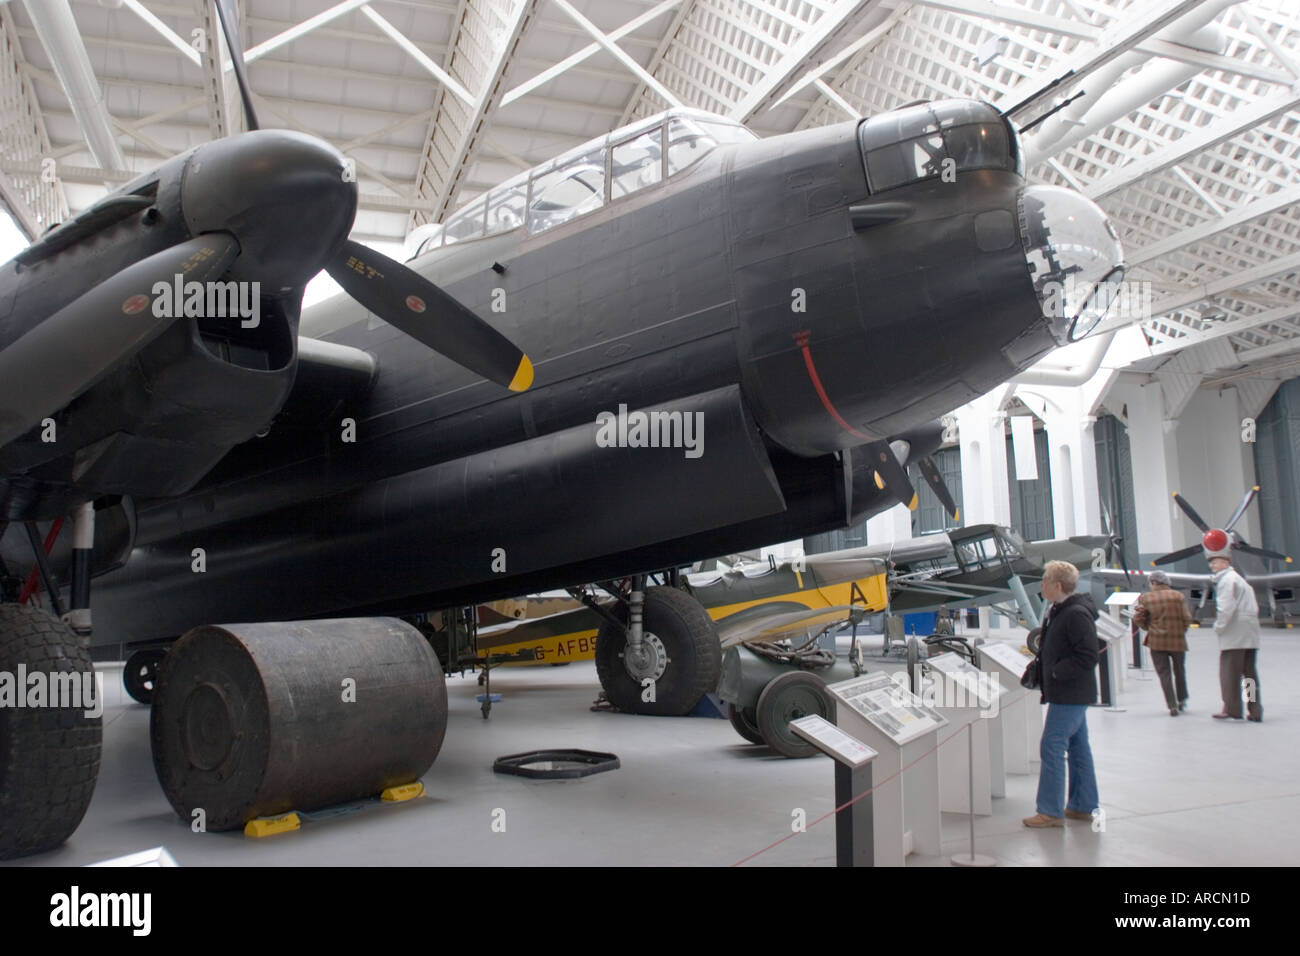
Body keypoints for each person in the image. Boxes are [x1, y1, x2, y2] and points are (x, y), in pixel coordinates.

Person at [1024, 560, 1101, 828]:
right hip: (1069, 692)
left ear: (1057, 585)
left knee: (1052, 746)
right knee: (1079, 748)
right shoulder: (1060, 610)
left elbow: (1089, 654)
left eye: (1045, 580)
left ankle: (1050, 810)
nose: (1042, 585)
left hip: (1070, 693)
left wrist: (1056, 672)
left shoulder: (1074, 614)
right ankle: (1082, 804)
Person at [1205, 536, 1262, 722]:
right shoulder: (1240, 580)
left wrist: (1219, 627)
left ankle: (1232, 708)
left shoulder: (1226, 581)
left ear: (1225, 562)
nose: (1212, 566)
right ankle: (1254, 709)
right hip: (1250, 631)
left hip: (1234, 632)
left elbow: (1226, 607)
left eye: (1215, 562)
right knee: (1249, 674)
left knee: (1229, 673)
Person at [1132, 570, 1193, 716]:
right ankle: (1182, 699)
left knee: (1164, 674)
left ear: (1153, 582)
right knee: (1179, 670)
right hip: (1177, 640)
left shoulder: (1146, 598)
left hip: (1157, 641)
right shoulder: (1178, 596)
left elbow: (1138, 618)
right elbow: (1187, 617)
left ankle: (1172, 705)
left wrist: (1149, 628)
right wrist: (1181, 630)